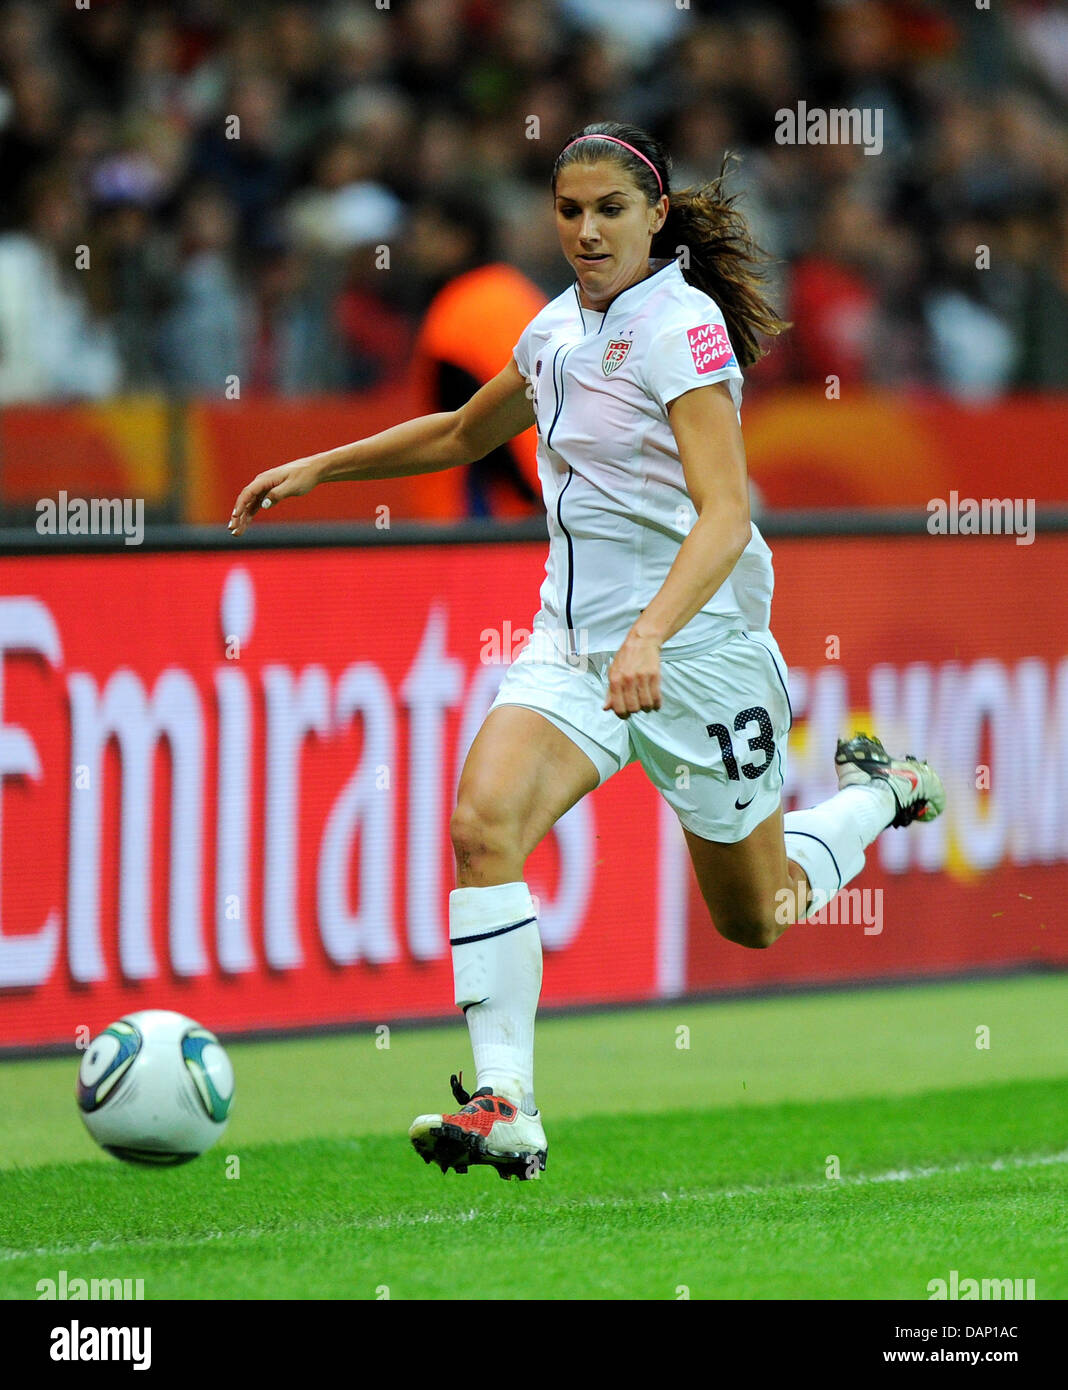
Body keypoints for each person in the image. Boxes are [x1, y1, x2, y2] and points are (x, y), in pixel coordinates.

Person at [228, 121, 945, 1182]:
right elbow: (464, 433)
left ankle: (886, 792)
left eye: (611, 209)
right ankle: (506, 1099)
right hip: (574, 651)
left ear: (656, 216)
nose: (587, 230)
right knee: (483, 825)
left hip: (694, 655)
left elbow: (725, 516)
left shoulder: (680, 328)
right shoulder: (556, 328)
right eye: (569, 211)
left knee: (758, 915)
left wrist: (653, 632)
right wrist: (317, 466)